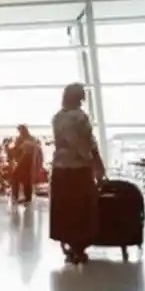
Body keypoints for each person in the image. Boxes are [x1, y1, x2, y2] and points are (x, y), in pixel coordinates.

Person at [51, 83, 105, 265]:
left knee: (64, 209)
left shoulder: (57, 117)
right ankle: (79, 247)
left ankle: (67, 244)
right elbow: (87, 144)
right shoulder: (80, 117)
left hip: (60, 169)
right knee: (81, 209)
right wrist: (96, 164)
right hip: (78, 169)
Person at [10, 125, 40, 205]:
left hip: (28, 161)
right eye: (19, 130)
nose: (20, 131)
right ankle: (16, 197)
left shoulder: (30, 138)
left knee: (26, 180)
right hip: (22, 161)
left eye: (20, 129)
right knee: (16, 177)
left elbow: (33, 150)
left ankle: (26, 198)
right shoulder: (20, 138)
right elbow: (16, 149)